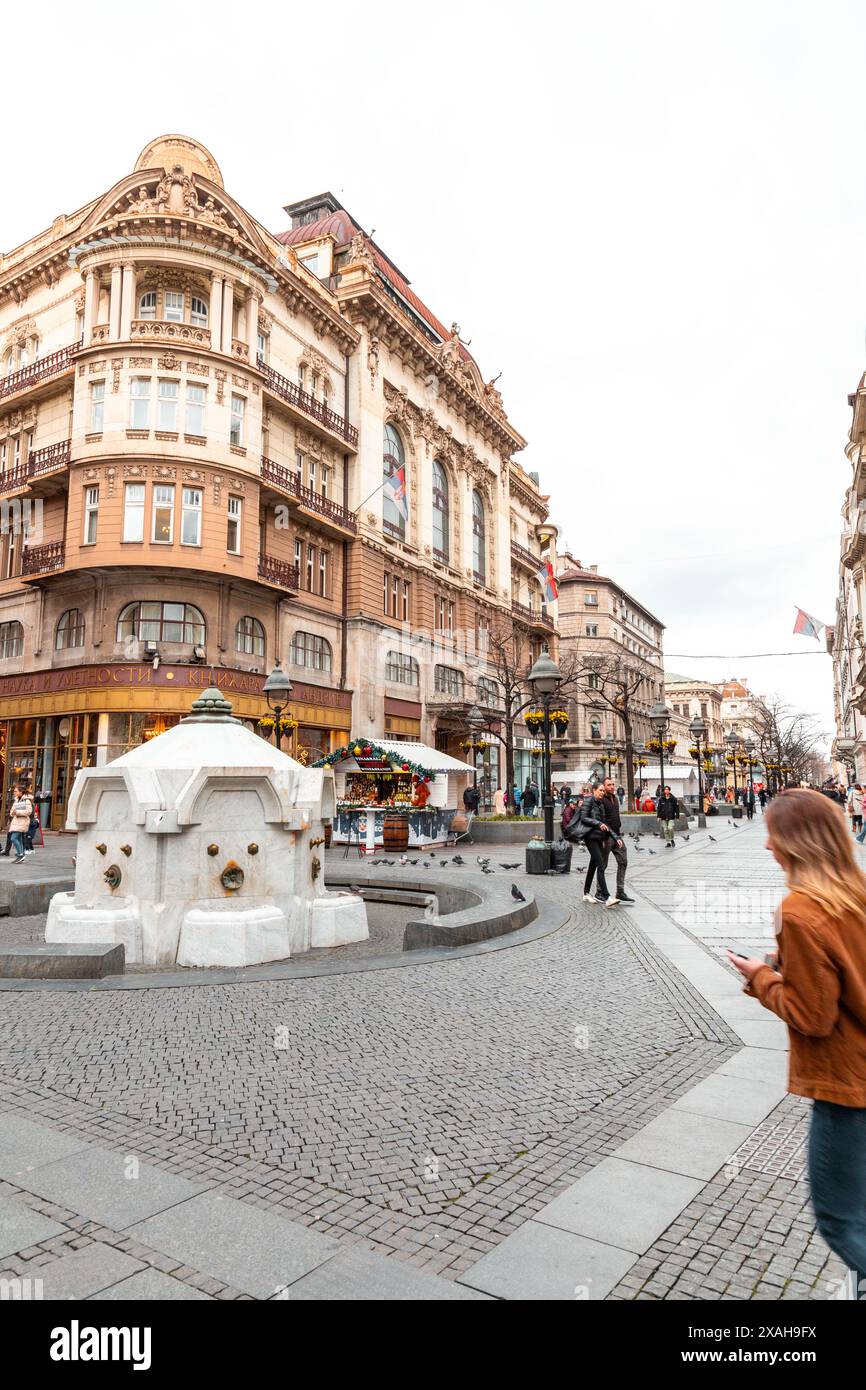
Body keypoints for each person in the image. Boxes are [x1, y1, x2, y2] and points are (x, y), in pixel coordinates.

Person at [728, 789, 866, 1299]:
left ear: (796, 844)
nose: (766, 845)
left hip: (848, 1082)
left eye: (773, 835)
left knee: (841, 1219)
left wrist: (763, 976)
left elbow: (813, 1017)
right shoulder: (855, 891)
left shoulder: (801, 910)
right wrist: (795, 968)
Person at [566, 783, 623, 907]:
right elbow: (584, 818)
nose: (602, 793)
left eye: (603, 791)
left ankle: (586, 893)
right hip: (590, 837)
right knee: (601, 866)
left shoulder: (601, 804)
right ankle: (607, 897)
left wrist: (616, 837)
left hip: (598, 838)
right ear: (594, 791)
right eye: (600, 790)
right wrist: (597, 824)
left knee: (592, 866)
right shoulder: (588, 801)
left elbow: (605, 823)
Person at [600, 776, 634, 903]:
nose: (612, 787)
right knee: (603, 865)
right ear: (604, 787)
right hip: (607, 837)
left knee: (623, 861)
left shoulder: (614, 798)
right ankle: (600, 892)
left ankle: (620, 892)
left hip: (617, 835)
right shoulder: (602, 800)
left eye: (613, 784)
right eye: (609, 785)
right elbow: (602, 820)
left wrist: (617, 834)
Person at [7, 784, 33, 865]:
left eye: (15, 791)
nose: (14, 792)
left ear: (20, 792)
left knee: (13, 838)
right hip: (16, 822)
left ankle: (20, 855)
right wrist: (13, 813)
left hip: (22, 822)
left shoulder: (26, 800)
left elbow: (29, 811)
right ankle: (21, 855)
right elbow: (12, 812)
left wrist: (17, 812)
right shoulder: (17, 800)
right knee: (19, 839)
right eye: (14, 791)